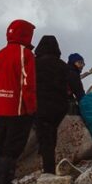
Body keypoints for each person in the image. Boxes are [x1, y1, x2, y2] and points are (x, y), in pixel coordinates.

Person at [0, 19, 37, 184]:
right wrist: (31, 108)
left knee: (0, 146)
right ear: (25, 34)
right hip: (18, 109)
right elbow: (27, 84)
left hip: (0, 107)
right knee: (13, 147)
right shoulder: (26, 54)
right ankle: (4, 183)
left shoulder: (0, 53)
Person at [33, 35, 70, 175]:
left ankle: (48, 171)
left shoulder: (34, 63)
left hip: (39, 106)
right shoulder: (62, 65)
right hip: (58, 108)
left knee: (45, 137)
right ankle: (49, 169)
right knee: (51, 135)